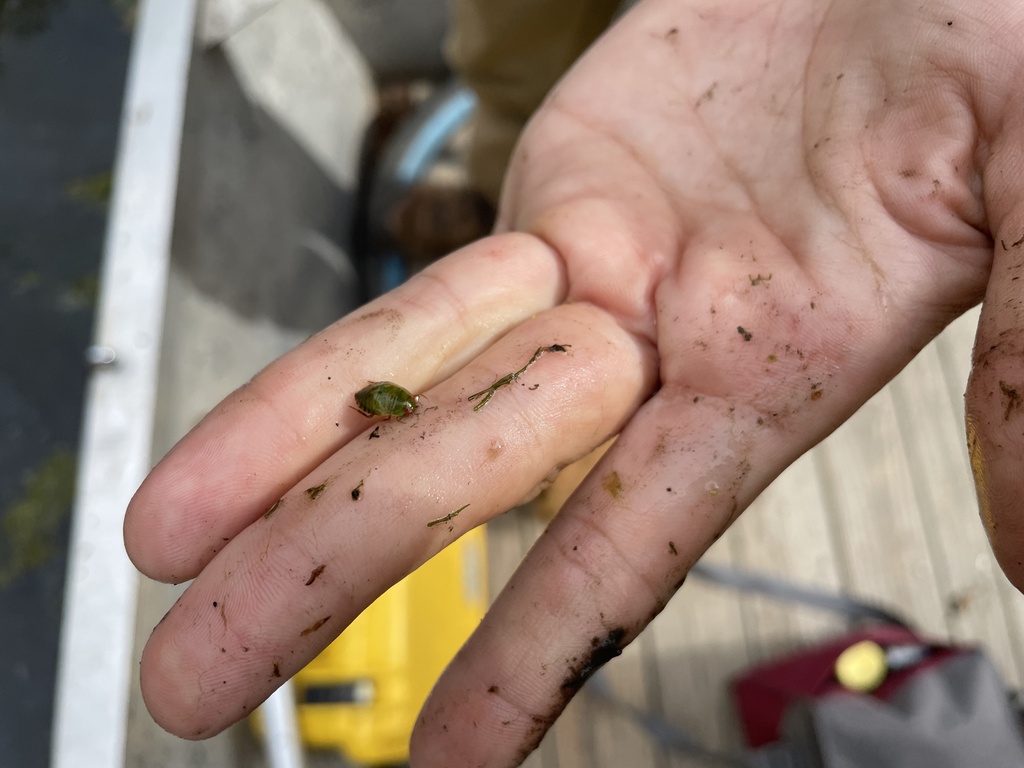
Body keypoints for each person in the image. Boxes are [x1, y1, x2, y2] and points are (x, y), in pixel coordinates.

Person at [123, 0, 1024, 765]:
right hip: (610, 99)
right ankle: (499, 194)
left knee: (594, 401)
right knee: (514, 60)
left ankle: (559, 442)